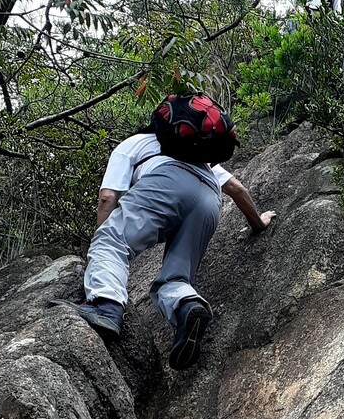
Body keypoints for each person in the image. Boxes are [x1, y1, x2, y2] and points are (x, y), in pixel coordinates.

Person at [73, 113, 275, 370]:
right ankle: (187, 307)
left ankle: (107, 307)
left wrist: (100, 240)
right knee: (176, 278)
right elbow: (236, 189)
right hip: (209, 199)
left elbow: (108, 197)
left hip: (167, 182)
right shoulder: (196, 153)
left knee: (111, 242)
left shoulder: (132, 144)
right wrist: (259, 223)